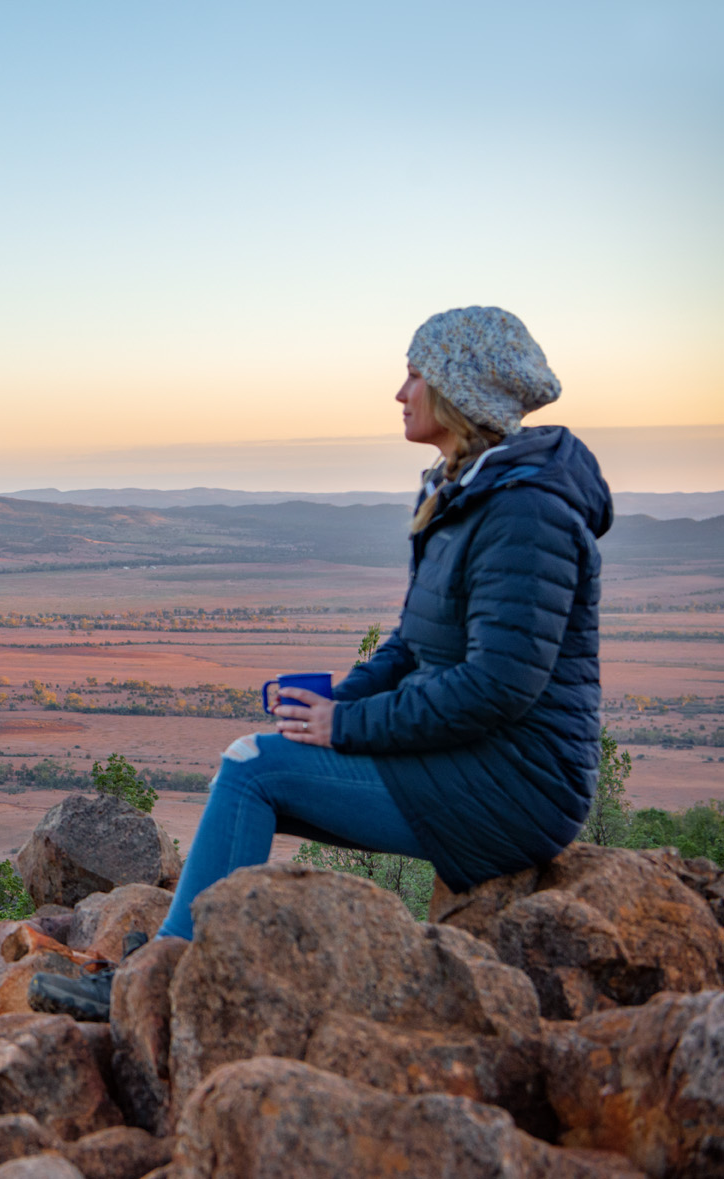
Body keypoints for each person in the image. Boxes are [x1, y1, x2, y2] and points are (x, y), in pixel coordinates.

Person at [31, 306, 612, 1020]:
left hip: (518, 781)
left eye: (414, 373)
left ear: (459, 387)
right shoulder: (466, 492)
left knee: (255, 768)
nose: (400, 393)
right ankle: (170, 970)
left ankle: (159, 983)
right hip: (472, 759)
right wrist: (333, 702)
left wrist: (348, 725)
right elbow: (409, 646)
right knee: (265, 756)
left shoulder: (525, 512)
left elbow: (497, 686)